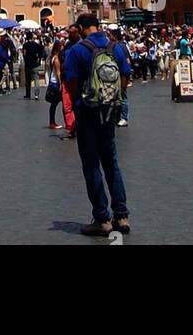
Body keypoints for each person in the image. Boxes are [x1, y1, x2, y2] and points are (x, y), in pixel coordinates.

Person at [63, 13, 130, 237]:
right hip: (110, 111)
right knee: (112, 162)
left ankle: (102, 219)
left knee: (92, 165)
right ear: (98, 26)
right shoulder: (116, 47)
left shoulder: (77, 51)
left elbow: (71, 82)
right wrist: (114, 98)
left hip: (88, 111)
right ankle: (121, 215)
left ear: (82, 28)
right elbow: (125, 76)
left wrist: (77, 104)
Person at [23, 31, 43, 100]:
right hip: (35, 64)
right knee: (36, 80)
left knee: (28, 80)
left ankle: (28, 94)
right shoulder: (36, 44)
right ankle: (36, 95)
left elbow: (24, 54)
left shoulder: (25, 45)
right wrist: (39, 58)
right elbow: (41, 50)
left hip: (28, 65)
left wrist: (25, 59)